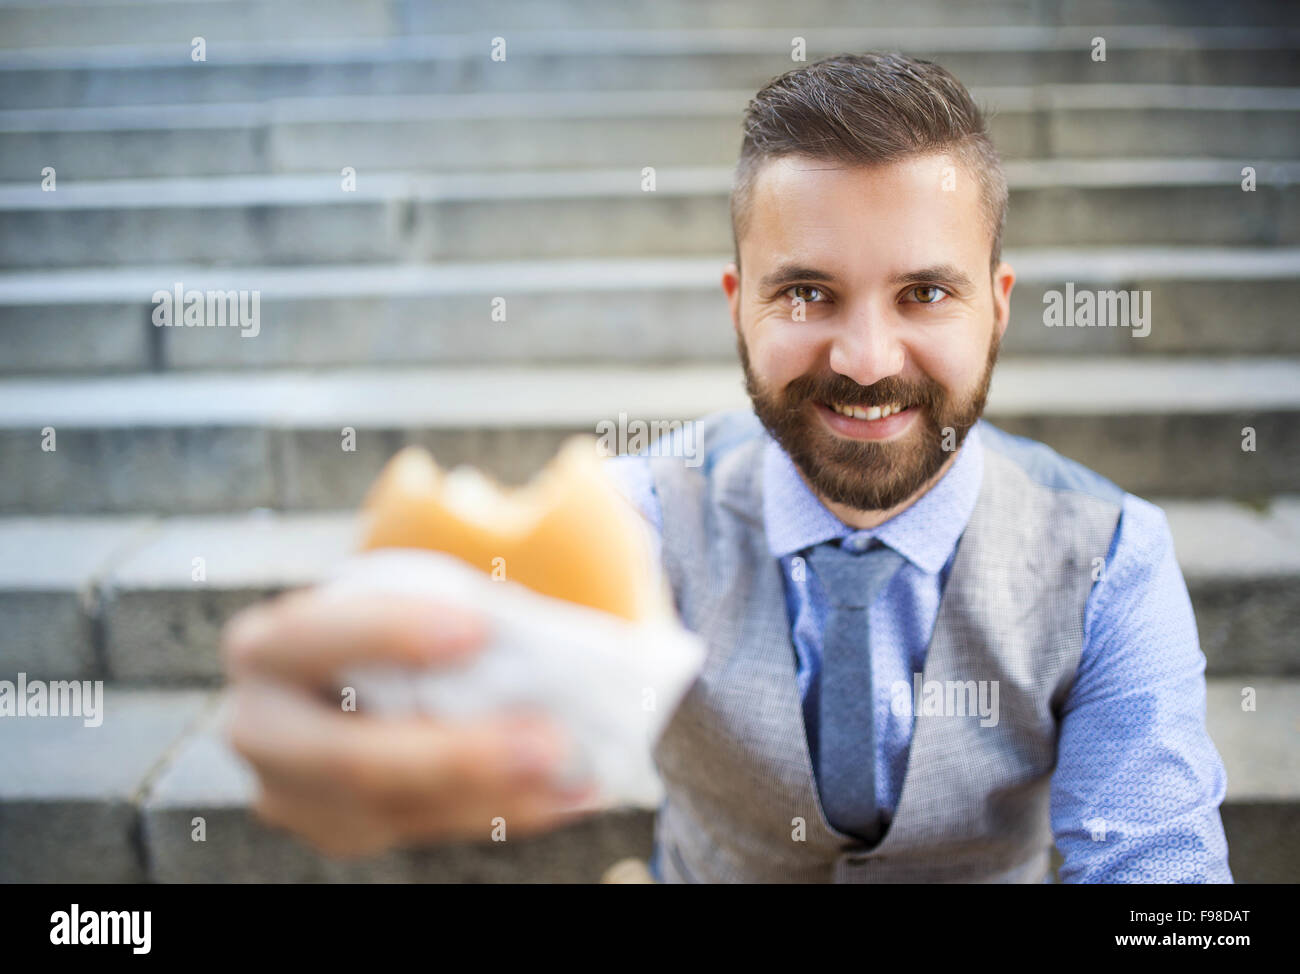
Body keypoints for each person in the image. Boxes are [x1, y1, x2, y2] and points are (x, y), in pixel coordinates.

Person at [222, 52, 1232, 883]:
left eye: (925, 291)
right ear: (737, 303)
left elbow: (1161, 878)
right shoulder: (640, 520)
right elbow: (453, 647)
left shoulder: (1109, 559)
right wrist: (343, 705)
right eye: (805, 293)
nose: (867, 359)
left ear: (998, 305)